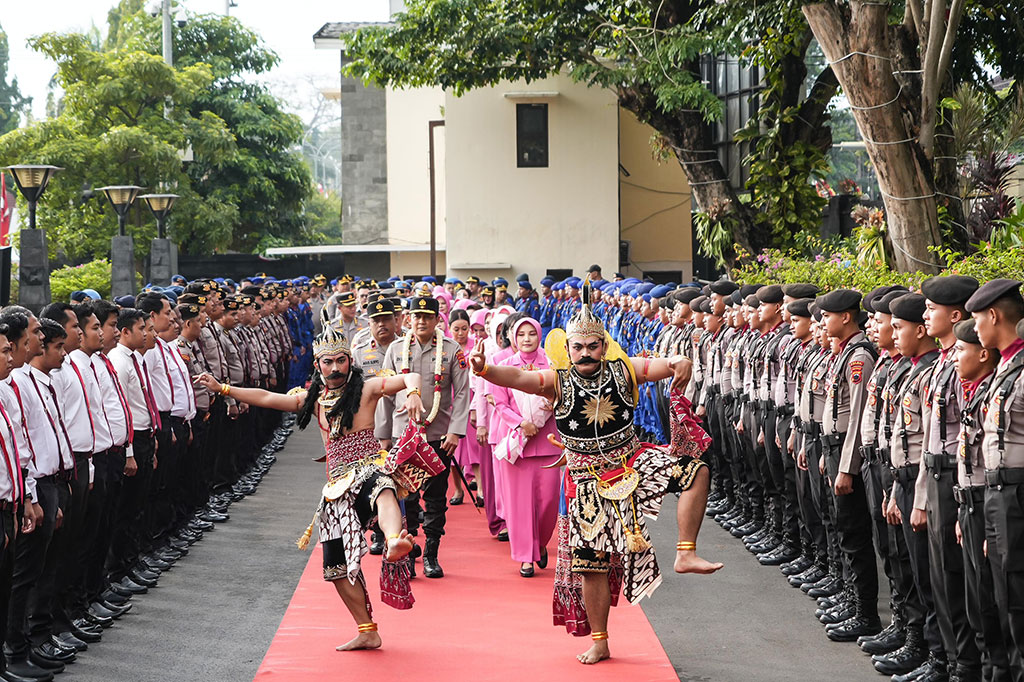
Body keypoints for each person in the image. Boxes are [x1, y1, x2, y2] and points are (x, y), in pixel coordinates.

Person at [468, 282, 720, 665]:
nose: (585, 354)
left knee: (695, 468)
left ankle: (686, 552)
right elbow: (517, 379)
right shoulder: (557, 380)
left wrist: (678, 361)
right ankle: (600, 640)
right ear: (567, 349)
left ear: (603, 346)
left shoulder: (623, 370)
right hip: (586, 480)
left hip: (633, 462)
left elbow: (659, 366)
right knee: (591, 565)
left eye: (592, 346)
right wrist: (484, 369)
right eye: (578, 348)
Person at [195, 316, 424, 651]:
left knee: (383, 489)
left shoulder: (370, 388)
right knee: (335, 567)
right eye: (328, 362)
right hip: (335, 486)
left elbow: (411, 376)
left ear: (350, 360)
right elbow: (266, 397)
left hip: (368, 467)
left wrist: (415, 393)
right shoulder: (311, 399)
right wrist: (224, 389)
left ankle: (392, 541)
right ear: (318, 365)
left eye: (341, 360)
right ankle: (367, 630)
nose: (335, 368)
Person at [375, 296, 471, 579]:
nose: (421, 321)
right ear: (408, 319)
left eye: (427, 317)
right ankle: (409, 547)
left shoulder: (451, 350)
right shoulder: (395, 349)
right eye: (416, 316)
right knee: (406, 496)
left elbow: (463, 392)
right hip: (402, 434)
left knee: (436, 496)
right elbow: (386, 393)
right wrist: (383, 435)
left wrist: (455, 430)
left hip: (439, 435)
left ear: (437, 319)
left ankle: (431, 552)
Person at [490, 317, 561, 577]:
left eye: (532, 333)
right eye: (521, 334)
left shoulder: (554, 364)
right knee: (519, 505)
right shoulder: (503, 366)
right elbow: (499, 403)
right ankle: (525, 557)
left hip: (548, 443)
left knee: (549, 502)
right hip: (516, 445)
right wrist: (521, 424)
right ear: (513, 337)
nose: (527, 339)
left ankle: (539, 544)